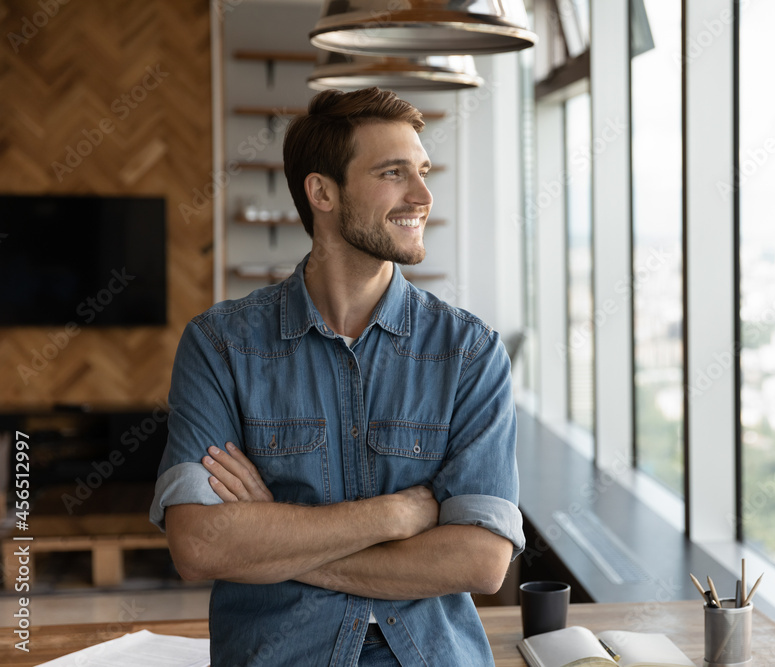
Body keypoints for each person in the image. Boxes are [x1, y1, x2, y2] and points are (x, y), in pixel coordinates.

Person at [150, 87, 524, 666]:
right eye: (394, 172)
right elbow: (199, 545)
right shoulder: (220, 345)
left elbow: (480, 562)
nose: (422, 195)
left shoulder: (470, 353)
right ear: (322, 192)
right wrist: (393, 517)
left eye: (422, 172)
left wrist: (271, 537)